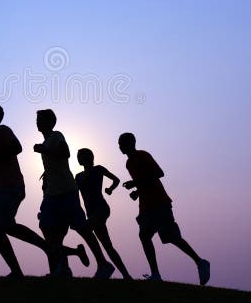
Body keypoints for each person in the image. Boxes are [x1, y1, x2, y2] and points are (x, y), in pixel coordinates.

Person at [0, 102, 89, 278]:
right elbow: (3, 166)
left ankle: (48, 250)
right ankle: (18, 269)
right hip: (0, 187)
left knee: (6, 224)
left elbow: (17, 148)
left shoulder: (2, 130)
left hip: (12, 187)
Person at [118, 132, 210, 284]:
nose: (120, 147)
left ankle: (200, 262)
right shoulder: (128, 163)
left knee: (172, 237)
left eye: (122, 143)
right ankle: (156, 274)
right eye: (119, 144)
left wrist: (135, 184)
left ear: (132, 143)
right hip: (146, 206)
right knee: (144, 236)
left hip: (159, 203)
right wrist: (137, 192)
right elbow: (144, 182)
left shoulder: (143, 155)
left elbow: (158, 173)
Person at [34, 109, 115, 278]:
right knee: (49, 230)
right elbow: (55, 164)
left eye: (40, 119)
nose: (37, 122)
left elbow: (65, 153)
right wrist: (46, 175)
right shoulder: (47, 141)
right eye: (37, 119)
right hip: (51, 194)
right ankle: (63, 267)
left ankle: (103, 264)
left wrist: (45, 149)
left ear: (50, 122)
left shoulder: (56, 136)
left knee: (82, 228)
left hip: (66, 191)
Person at [75, 148, 132, 279]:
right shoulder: (78, 176)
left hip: (102, 209)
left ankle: (103, 265)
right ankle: (126, 275)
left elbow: (116, 179)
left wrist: (110, 189)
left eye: (82, 156)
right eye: (79, 156)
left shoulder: (98, 169)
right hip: (90, 213)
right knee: (108, 246)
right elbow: (75, 194)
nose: (80, 158)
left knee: (85, 228)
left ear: (90, 157)